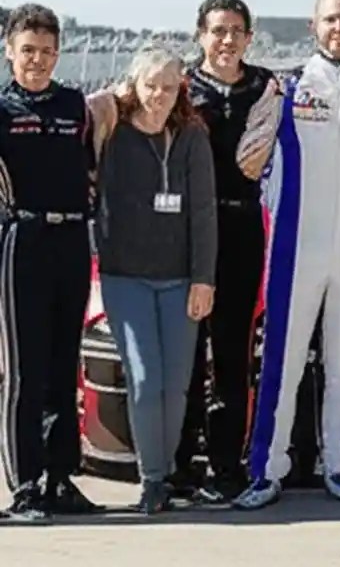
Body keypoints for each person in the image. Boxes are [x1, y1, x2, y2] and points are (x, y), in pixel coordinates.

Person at [231, 0, 340, 510]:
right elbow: (249, 164)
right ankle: (267, 469)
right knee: (281, 365)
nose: (339, 28)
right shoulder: (284, 87)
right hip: (294, 252)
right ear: (314, 26)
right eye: (330, 19)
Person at [86, 45, 218, 514]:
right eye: (150, 86)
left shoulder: (191, 137)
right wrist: (111, 98)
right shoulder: (111, 130)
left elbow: (203, 213)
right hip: (127, 277)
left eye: (168, 87)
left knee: (176, 383)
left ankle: (164, 472)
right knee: (144, 378)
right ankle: (153, 478)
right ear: (134, 86)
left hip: (181, 278)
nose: (158, 96)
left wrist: (205, 279)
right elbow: (84, 116)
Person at [0, 4, 101, 522]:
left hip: (72, 240)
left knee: (66, 365)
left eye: (46, 51)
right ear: (9, 51)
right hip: (23, 238)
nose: (37, 61)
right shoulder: (1, 108)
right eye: (27, 51)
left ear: (59, 53)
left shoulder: (74, 104)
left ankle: (62, 478)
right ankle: (24, 486)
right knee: (25, 369)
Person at [178, 0, 278, 501]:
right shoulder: (179, 88)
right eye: (217, 30)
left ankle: (227, 463)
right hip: (190, 230)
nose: (226, 40)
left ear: (248, 37)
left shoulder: (266, 88)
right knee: (188, 352)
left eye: (236, 30)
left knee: (234, 351)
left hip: (241, 226)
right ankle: (181, 464)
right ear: (201, 35)